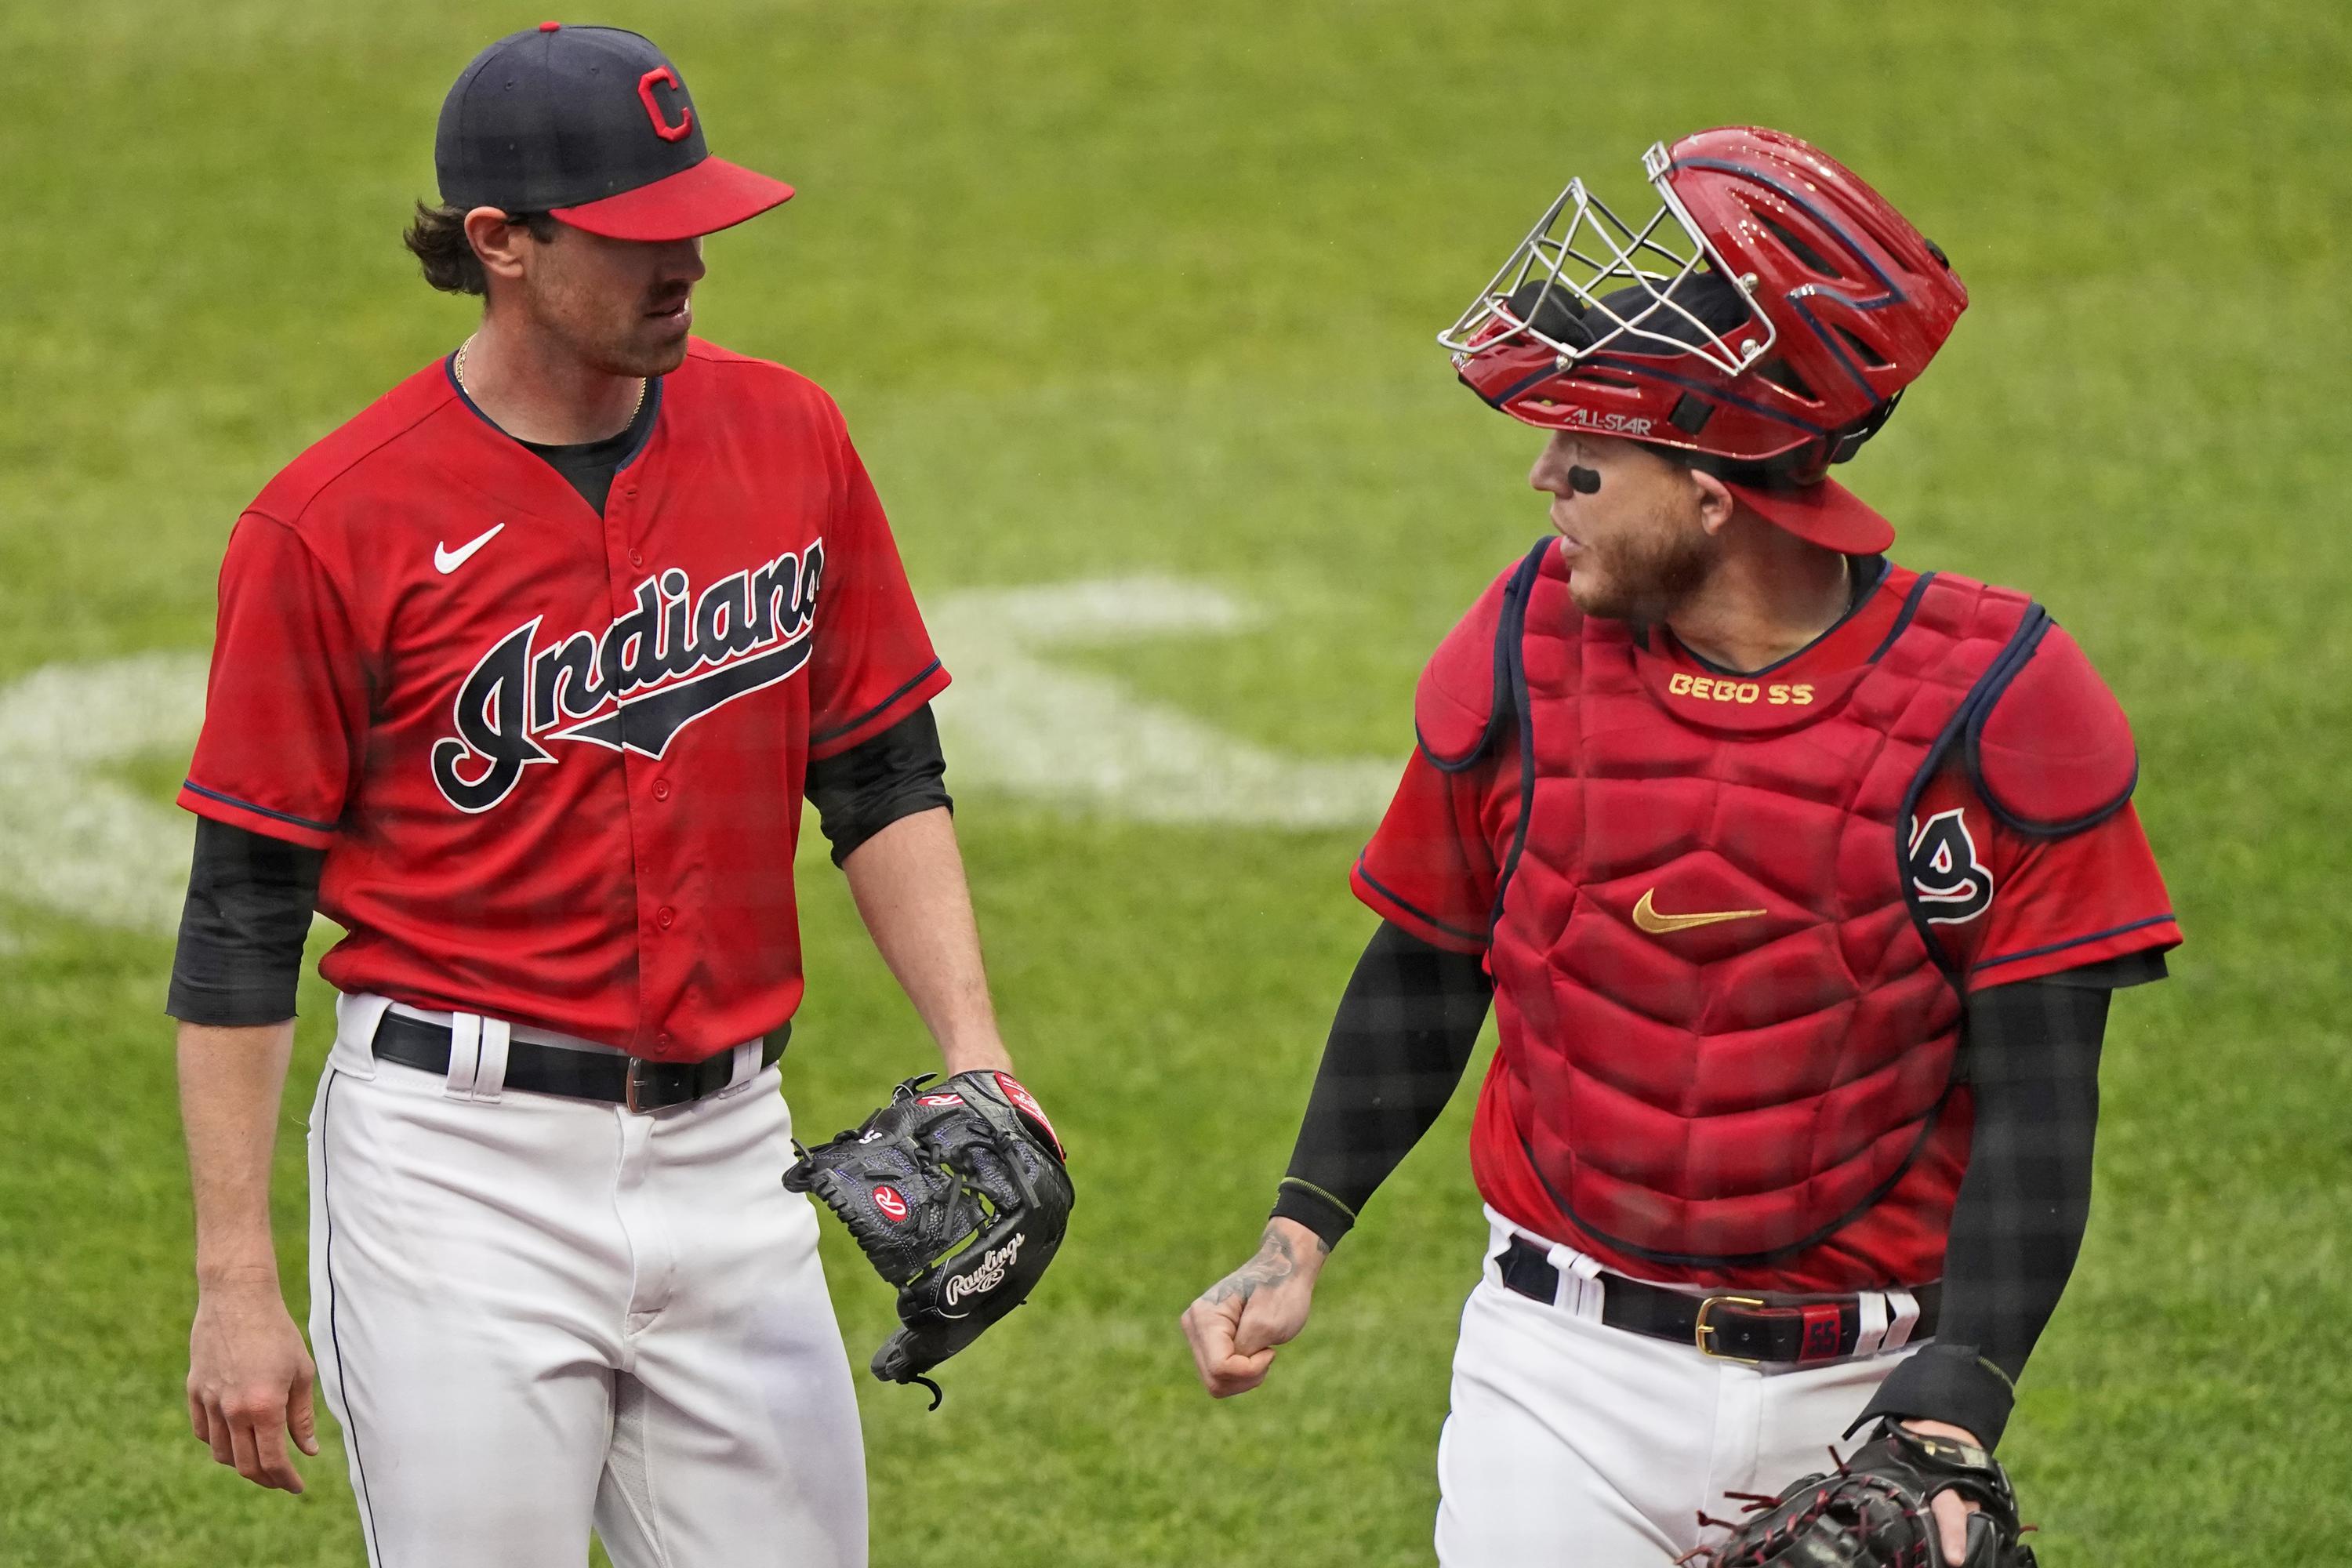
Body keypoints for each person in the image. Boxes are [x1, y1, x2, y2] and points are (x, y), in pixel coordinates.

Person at [1181, 127, 2180, 1565]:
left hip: (1867, 1392)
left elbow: (2041, 1098)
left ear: (1714, 492)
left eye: (1587, 459)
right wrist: (1297, 1237)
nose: (1543, 481)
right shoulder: (1522, 648)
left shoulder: (1999, 706)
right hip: (1559, 1379)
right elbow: (1424, 962)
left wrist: (1958, 1402)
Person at [169, 24, 1021, 1566]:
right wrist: (237, 1274)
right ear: (499, 243)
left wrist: (976, 1050)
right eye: (637, 235)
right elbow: (242, 909)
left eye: (692, 218)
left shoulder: (789, 435)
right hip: (457, 1179)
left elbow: (882, 769)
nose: (684, 260)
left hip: (737, 1162)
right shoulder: (329, 524)